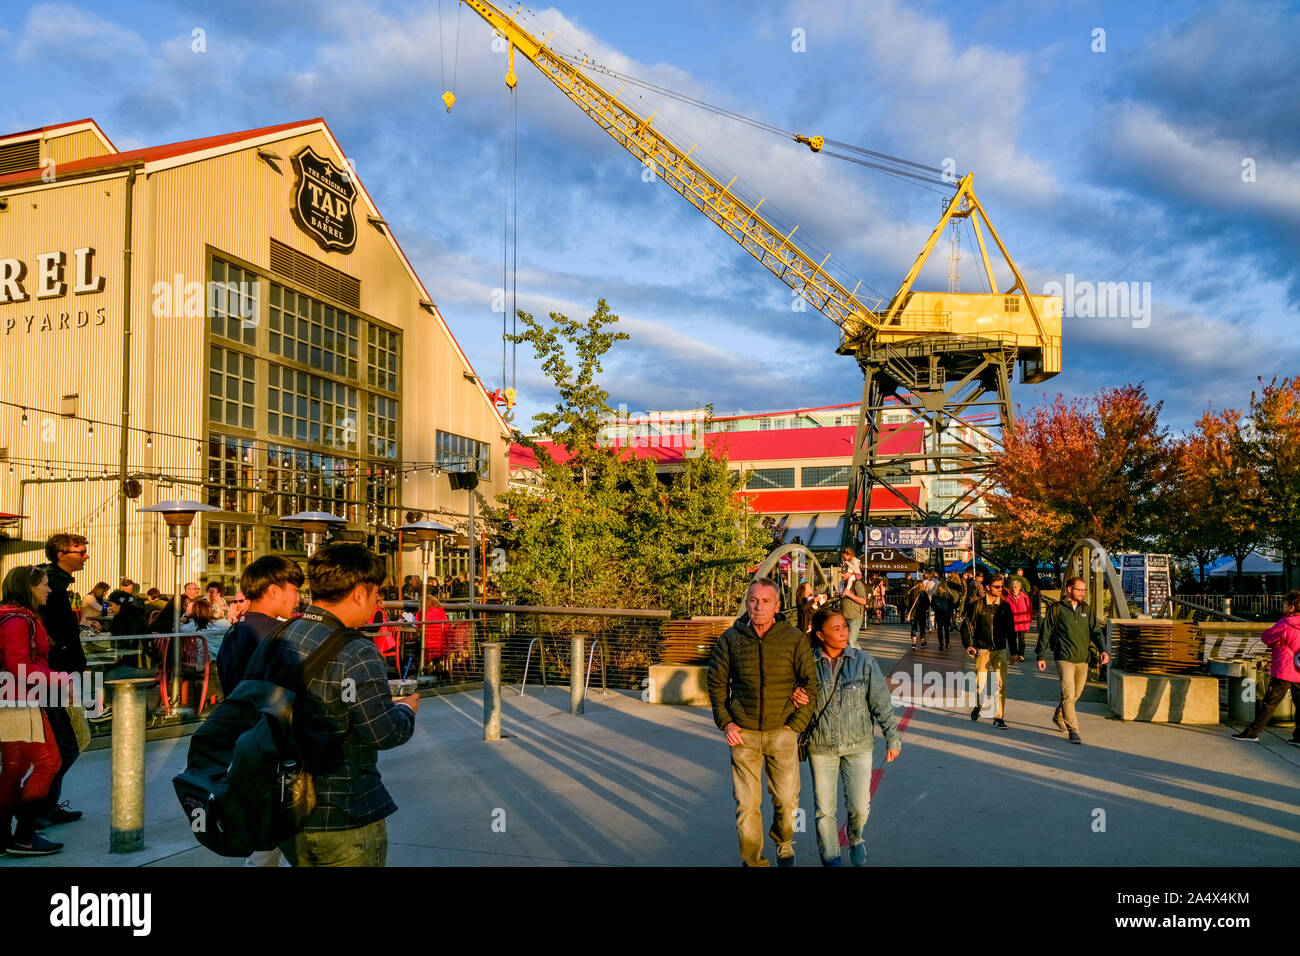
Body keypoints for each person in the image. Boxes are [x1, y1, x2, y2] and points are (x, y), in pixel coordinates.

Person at [250, 543, 418, 867]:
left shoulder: (282, 633)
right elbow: (383, 733)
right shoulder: (357, 650)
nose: (377, 603)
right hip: (346, 810)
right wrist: (407, 709)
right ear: (358, 593)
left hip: (288, 807)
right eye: (376, 594)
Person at [706, 577, 818, 867]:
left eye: (766, 601)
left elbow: (811, 684)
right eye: (753, 600)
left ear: (777, 605)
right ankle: (753, 860)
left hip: (782, 731)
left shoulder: (793, 638)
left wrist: (796, 724)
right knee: (747, 805)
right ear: (746, 603)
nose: (758, 606)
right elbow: (716, 684)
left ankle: (783, 841)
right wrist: (726, 722)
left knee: (787, 800)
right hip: (743, 734)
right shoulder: (730, 639)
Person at [798, 608, 901, 866]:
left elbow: (881, 702)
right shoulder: (807, 665)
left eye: (844, 626)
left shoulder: (864, 661)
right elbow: (796, 700)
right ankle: (831, 859)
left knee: (859, 806)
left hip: (859, 745)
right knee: (824, 811)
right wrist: (795, 696)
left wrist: (892, 737)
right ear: (820, 635)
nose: (844, 632)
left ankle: (856, 838)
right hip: (821, 746)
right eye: (836, 628)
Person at [0, 566, 65, 855]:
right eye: (44, 585)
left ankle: (5, 836)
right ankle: (24, 835)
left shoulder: (8, 616)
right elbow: (20, 666)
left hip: (8, 698)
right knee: (48, 762)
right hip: (19, 699)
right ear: (29, 587)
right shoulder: (18, 620)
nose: (49, 590)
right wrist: (59, 679)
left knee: (14, 769)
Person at [35, 533, 88, 828]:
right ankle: (37, 806)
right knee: (66, 743)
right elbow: (39, 621)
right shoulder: (49, 582)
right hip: (54, 676)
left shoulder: (56, 582)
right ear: (61, 554)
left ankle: (46, 805)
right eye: (80, 552)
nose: (85, 556)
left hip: (58, 674)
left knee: (66, 742)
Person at [1036, 576, 1109, 745]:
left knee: (1076, 695)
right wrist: (1041, 655)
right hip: (1064, 657)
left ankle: (1058, 715)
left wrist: (1103, 650)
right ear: (1069, 589)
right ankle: (1074, 730)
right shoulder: (1057, 609)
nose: (1082, 593)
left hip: (1082, 658)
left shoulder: (1086, 609)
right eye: (1079, 590)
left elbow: (1096, 632)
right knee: (1068, 695)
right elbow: (1045, 632)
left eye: (1084, 590)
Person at [1232, 590, 1300, 743]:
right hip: (1299, 668)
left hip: (1285, 668)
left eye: (1286, 604)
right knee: (1299, 703)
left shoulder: (1286, 623)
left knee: (1270, 703)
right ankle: (1299, 735)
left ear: (1292, 607)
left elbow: (1267, 637)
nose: (1283, 606)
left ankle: (1252, 732)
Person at [963, 574, 1015, 728]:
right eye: (997, 587)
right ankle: (979, 706)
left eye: (1002, 586)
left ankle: (999, 717)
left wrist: (1014, 652)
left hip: (1000, 650)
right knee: (981, 684)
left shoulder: (1005, 606)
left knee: (1001, 684)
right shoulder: (977, 606)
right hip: (982, 650)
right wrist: (968, 645)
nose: (1000, 589)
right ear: (987, 587)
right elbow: (966, 627)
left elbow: (1011, 631)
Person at [838, 567, 868, 648]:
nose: (842, 574)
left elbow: (863, 601)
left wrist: (849, 594)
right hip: (844, 617)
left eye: (844, 573)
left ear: (850, 573)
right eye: (841, 572)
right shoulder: (843, 584)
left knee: (851, 642)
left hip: (854, 617)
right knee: (846, 642)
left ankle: (861, 659)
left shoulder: (857, 583)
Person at [1005, 578, 1033, 663]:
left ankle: (1021, 655)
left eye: (1016, 587)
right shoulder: (1008, 598)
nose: (1014, 589)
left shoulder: (1025, 597)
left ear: (1019, 587)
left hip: (1022, 622)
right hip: (1012, 622)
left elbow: (1030, 608)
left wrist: (1028, 618)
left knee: (1021, 639)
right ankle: (1014, 654)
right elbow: (1005, 610)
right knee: (1012, 639)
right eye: (1012, 587)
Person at [931, 576, 955, 651]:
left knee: (940, 629)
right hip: (946, 613)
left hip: (938, 613)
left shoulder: (936, 594)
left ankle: (941, 644)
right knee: (946, 629)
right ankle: (947, 643)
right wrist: (949, 610)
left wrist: (936, 609)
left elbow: (932, 604)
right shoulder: (949, 595)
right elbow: (952, 605)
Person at [906, 575, 930, 649]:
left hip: (913, 612)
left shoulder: (912, 592)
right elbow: (927, 604)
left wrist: (909, 610)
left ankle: (914, 643)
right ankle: (922, 642)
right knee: (922, 627)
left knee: (913, 628)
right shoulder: (924, 593)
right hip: (922, 612)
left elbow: (907, 603)